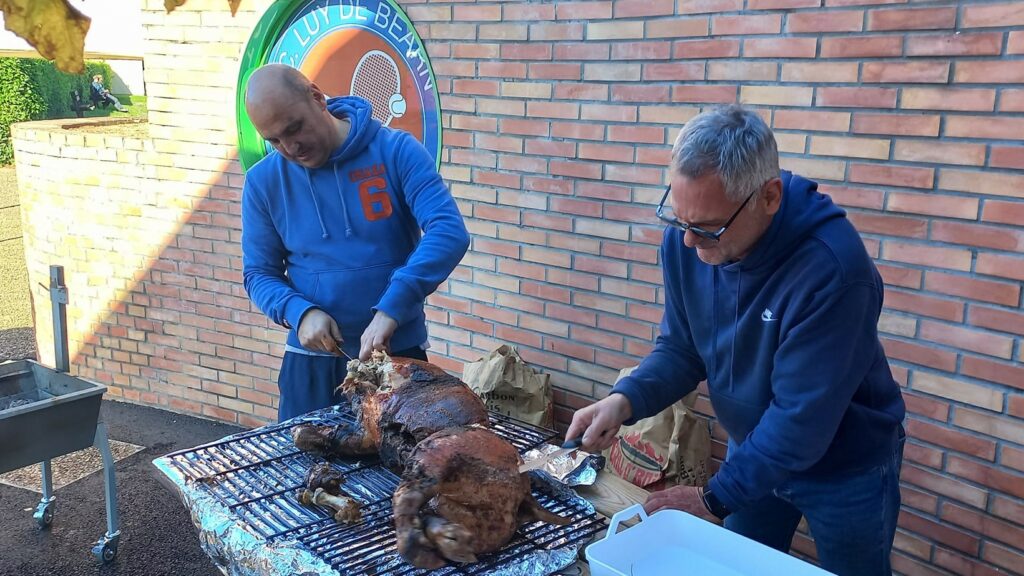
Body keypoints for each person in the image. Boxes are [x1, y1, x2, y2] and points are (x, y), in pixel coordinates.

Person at [566, 105, 906, 576]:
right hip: (754, 453)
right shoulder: (689, 239)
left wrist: (713, 498)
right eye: (679, 220)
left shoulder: (833, 269)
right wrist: (624, 402)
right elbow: (682, 348)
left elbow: (801, 420)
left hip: (847, 467)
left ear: (769, 197)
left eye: (707, 228)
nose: (688, 242)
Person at [241, 64, 470, 421]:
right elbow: (258, 274)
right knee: (302, 456)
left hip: (396, 355)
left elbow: (448, 231)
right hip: (311, 362)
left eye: (294, 128)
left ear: (317, 98)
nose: (290, 147)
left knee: (404, 455)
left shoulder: (396, 152)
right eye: (274, 140)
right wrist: (299, 312)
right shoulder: (263, 182)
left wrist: (391, 309)